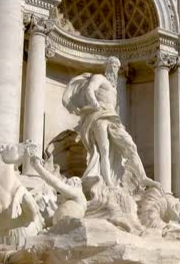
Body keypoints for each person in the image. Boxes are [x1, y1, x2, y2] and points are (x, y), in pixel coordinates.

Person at [62, 57, 151, 195]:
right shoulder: (99, 78)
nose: (114, 69)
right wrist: (94, 103)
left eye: (116, 66)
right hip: (99, 117)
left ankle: (142, 177)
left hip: (113, 119)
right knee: (104, 150)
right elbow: (90, 90)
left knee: (130, 145)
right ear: (107, 66)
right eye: (113, 65)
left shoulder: (114, 89)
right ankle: (108, 182)